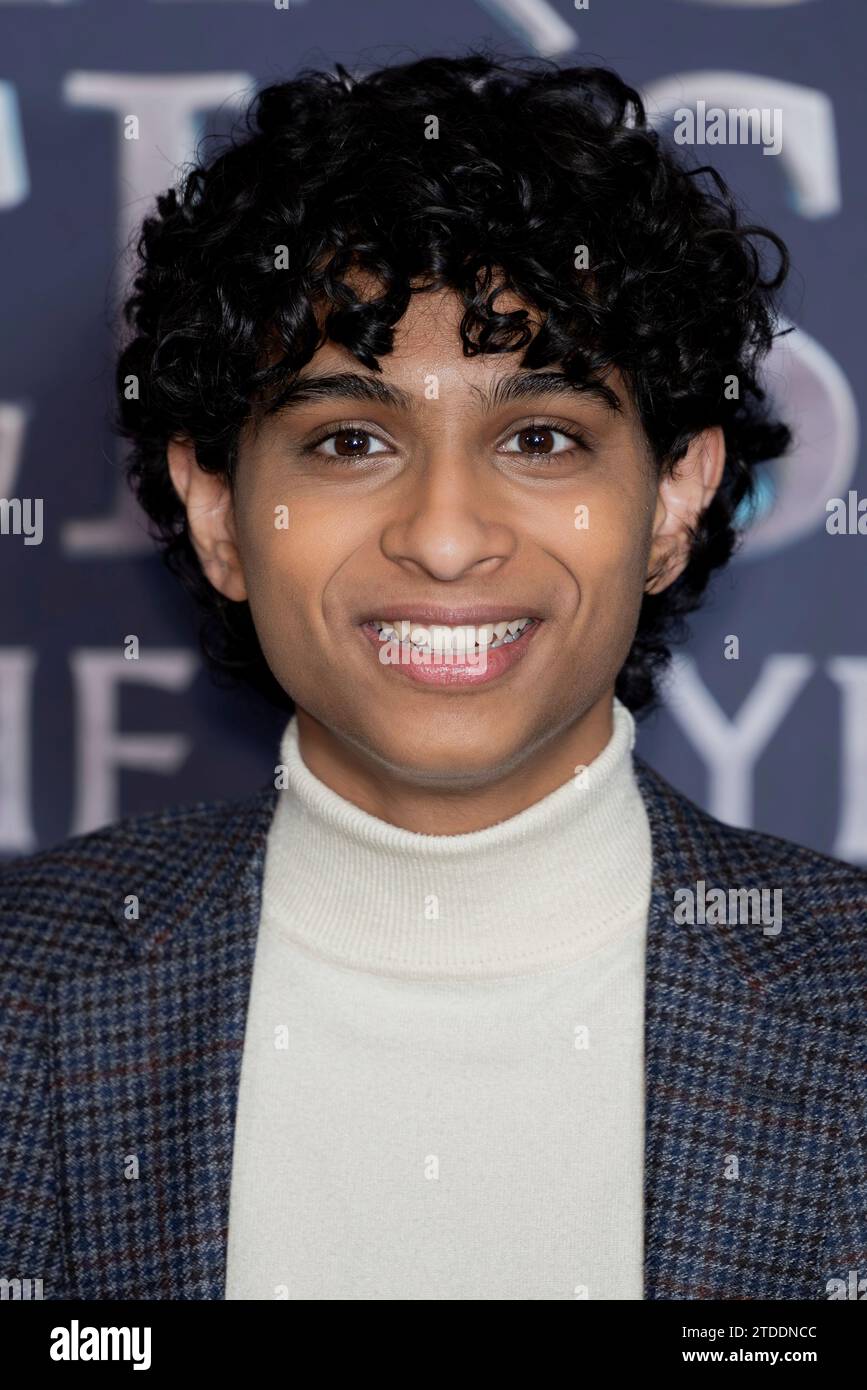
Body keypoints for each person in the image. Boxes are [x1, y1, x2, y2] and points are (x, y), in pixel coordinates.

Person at [2, 54, 865, 1302]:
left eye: (542, 437)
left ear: (673, 496)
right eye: (350, 440)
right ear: (219, 510)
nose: (447, 534)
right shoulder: (22, 993)